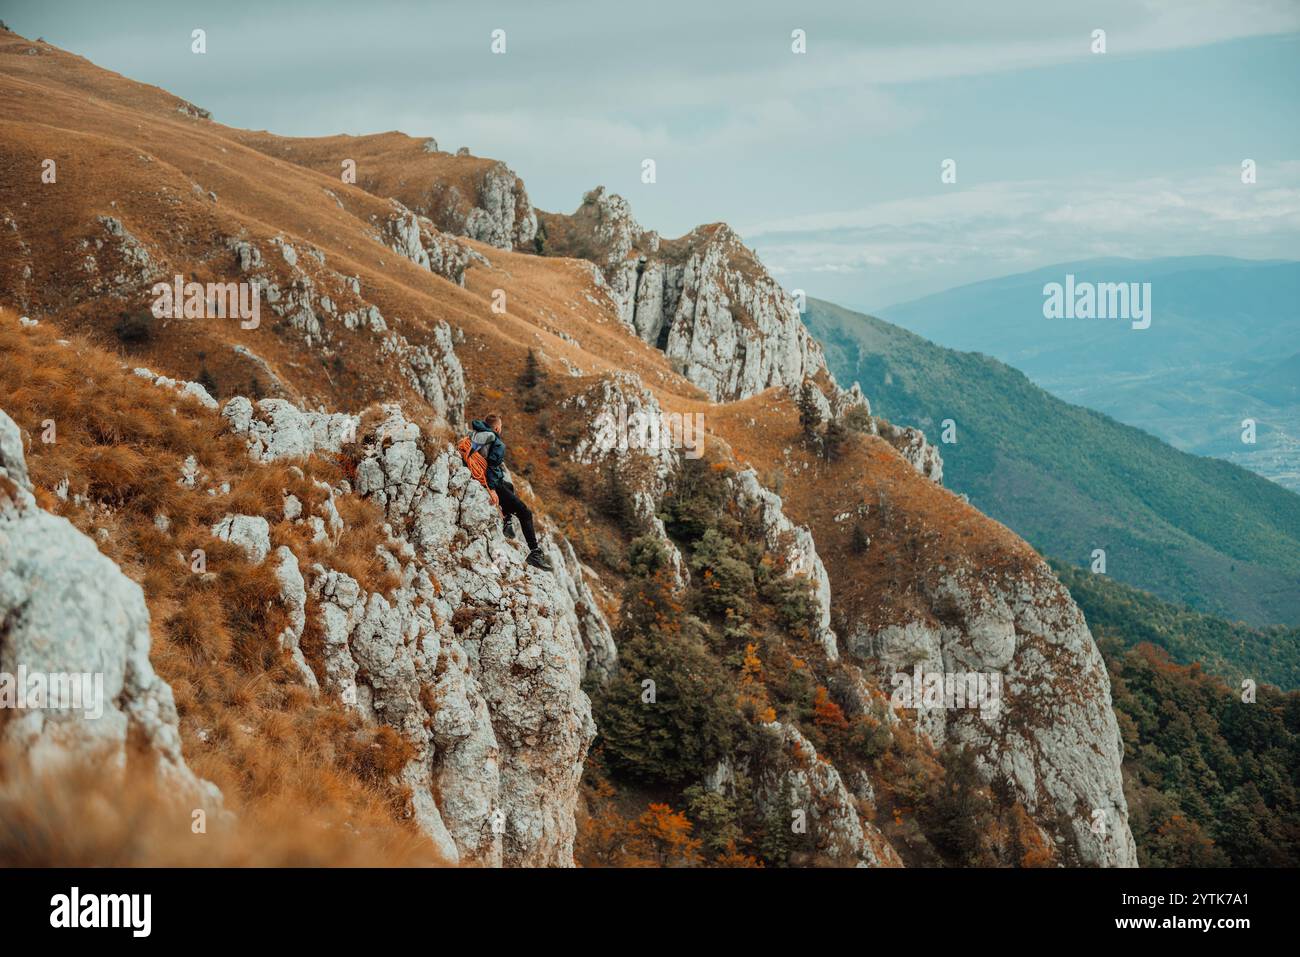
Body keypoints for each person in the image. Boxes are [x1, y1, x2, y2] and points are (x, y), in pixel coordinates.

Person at [472, 413, 551, 571]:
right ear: (497, 428)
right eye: (500, 427)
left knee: (509, 486)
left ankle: (507, 520)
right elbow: (493, 467)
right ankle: (535, 552)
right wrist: (493, 490)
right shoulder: (497, 442)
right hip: (489, 480)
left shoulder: (477, 433)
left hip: (478, 471)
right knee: (525, 512)